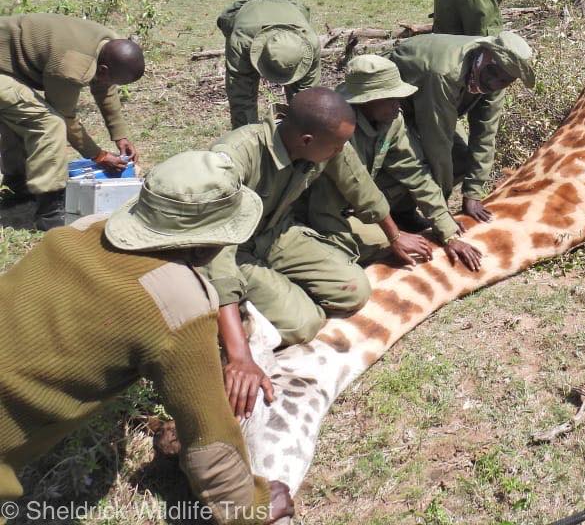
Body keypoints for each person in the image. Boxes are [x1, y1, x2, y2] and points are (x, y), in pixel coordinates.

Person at [0, 150, 293, 525]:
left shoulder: (80, 230)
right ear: (207, 243)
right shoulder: (179, 301)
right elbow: (208, 441)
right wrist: (249, 508)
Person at [198, 87, 430, 416]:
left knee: (354, 290)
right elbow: (217, 250)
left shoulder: (325, 140)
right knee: (304, 323)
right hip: (233, 251)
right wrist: (239, 356)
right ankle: (228, 318)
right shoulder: (235, 159)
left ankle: (274, 293)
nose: (340, 151)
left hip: (277, 231)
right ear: (307, 140)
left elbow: (359, 184)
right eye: (336, 147)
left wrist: (394, 235)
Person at [305, 55, 484, 272]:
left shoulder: (390, 119)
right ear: (365, 100)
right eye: (390, 98)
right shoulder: (335, 127)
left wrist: (448, 232)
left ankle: (397, 220)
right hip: (325, 210)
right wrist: (394, 236)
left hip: (362, 202)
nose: (397, 105)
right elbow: (357, 188)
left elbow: (415, 172)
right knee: (380, 246)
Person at [0, 13, 144, 230]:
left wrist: (120, 135)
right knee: (48, 123)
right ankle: (49, 212)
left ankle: (18, 185)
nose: (111, 84)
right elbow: (65, 117)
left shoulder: (109, 44)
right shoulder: (72, 65)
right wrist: (99, 155)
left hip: (8, 66)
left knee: (23, 115)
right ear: (103, 70)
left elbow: (105, 88)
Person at [390, 31, 535, 223]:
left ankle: (403, 212)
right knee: (412, 162)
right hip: (392, 106)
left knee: (460, 158)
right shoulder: (444, 72)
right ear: (485, 54)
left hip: (433, 101)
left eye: (504, 81)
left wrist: (473, 193)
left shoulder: (498, 78)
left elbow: (485, 134)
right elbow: (438, 145)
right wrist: (441, 214)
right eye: (492, 72)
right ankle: (387, 212)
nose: (494, 83)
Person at [216, 0, 320, 129]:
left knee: (306, 107)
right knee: (243, 104)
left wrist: (306, 130)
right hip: (247, 14)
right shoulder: (242, 42)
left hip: (289, 5)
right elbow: (241, 98)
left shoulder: (310, 43)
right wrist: (248, 134)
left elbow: (309, 95)